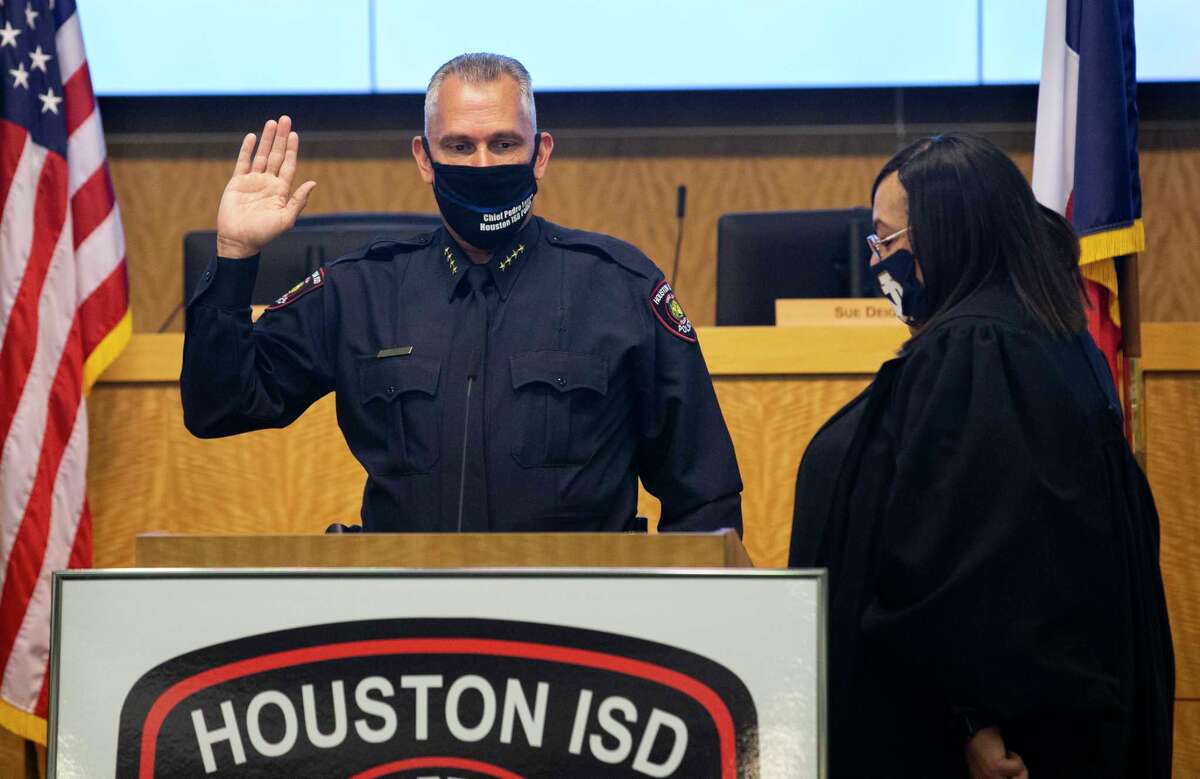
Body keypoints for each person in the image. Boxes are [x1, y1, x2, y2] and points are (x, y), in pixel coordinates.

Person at [180, 53, 742, 535]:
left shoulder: (619, 287)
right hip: (408, 624)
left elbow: (705, 493)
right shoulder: (362, 290)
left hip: (578, 625)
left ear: (539, 154)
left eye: (503, 144)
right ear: (425, 158)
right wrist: (235, 255)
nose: (482, 164)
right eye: (458, 145)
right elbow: (220, 406)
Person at [789, 133, 1173, 778]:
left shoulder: (978, 351)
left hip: (973, 742)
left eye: (886, 241)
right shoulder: (1045, 338)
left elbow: (967, 561)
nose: (879, 262)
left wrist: (975, 715)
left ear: (945, 234)